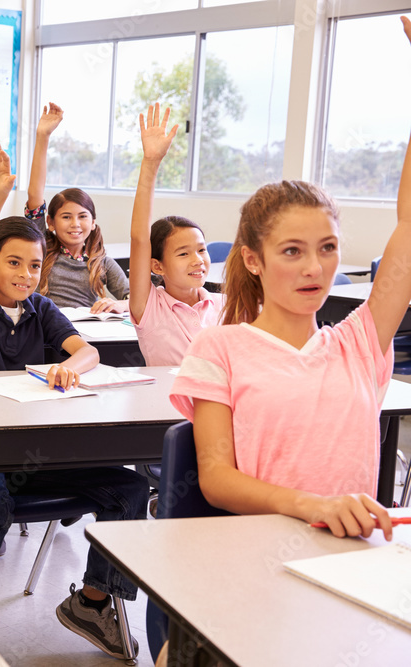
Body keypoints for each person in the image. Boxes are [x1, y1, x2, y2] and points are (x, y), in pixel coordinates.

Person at [168, 15, 411, 544]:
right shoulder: (220, 348)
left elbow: (410, 223)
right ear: (253, 260)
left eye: (327, 250)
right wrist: (309, 506)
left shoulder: (359, 344)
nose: (313, 268)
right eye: (292, 251)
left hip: (350, 562)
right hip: (259, 559)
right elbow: (216, 480)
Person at [0, 139, 148, 659]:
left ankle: (93, 601)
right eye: (12, 263)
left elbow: (89, 351)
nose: (25, 274)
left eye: (34, 266)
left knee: (128, 492)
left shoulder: (40, 309)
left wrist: (68, 365)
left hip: (38, 454)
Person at [128, 103, 225, 366]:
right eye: (183, 253)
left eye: (201, 250)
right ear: (157, 265)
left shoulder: (223, 305)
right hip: (165, 404)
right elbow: (139, 238)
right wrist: (151, 163)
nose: (197, 260)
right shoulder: (148, 306)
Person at [26, 102, 129, 313]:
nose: (75, 224)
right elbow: (35, 194)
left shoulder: (102, 262)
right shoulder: (40, 245)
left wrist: (118, 303)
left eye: (82, 216)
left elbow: (135, 299)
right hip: (43, 329)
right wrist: (43, 137)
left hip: (85, 332)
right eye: (66, 217)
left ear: (93, 223)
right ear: (50, 222)